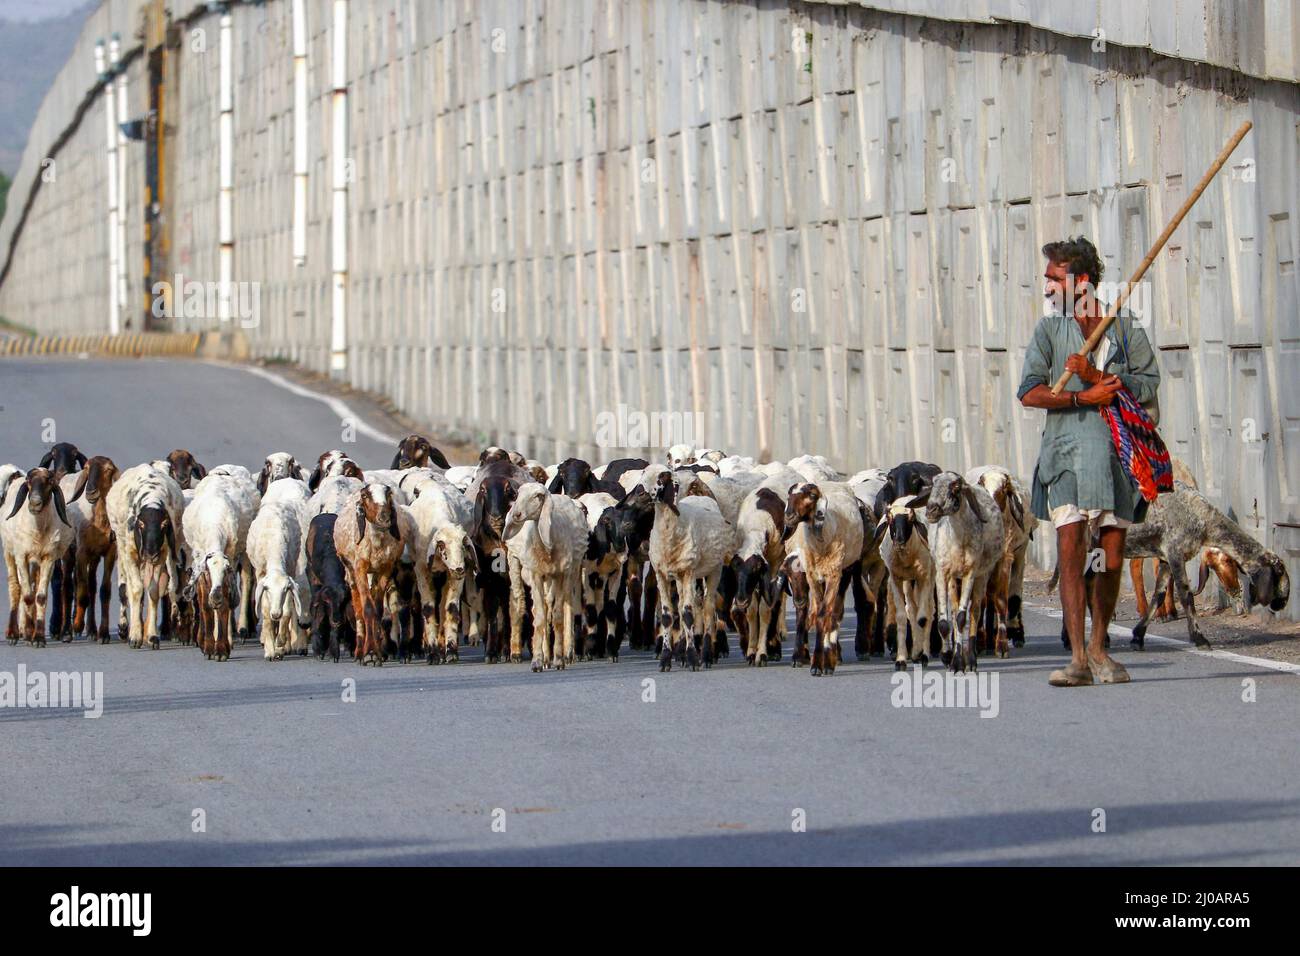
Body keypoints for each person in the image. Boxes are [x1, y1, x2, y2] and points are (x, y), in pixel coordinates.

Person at [1017, 237, 1161, 686]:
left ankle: (1101, 647)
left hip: (1116, 460)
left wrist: (1102, 379)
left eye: (1053, 277)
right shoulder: (1049, 331)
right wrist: (1082, 395)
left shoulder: (1122, 326)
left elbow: (1150, 381)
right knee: (1071, 551)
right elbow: (1029, 391)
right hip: (1065, 459)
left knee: (1110, 557)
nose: (1046, 286)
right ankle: (1077, 658)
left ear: (1079, 280)